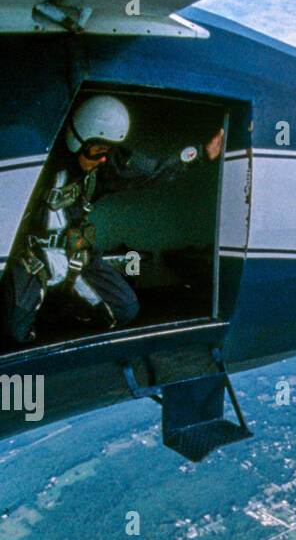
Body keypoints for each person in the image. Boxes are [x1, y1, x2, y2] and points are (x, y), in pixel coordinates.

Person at [0, 95, 225, 350]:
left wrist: (201, 155)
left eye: (106, 151)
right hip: (32, 258)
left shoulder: (100, 169)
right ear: (77, 140)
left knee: (126, 310)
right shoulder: (40, 161)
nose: (102, 159)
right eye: (96, 151)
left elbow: (150, 171)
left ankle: (56, 307)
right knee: (13, 334)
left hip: (75, 257)